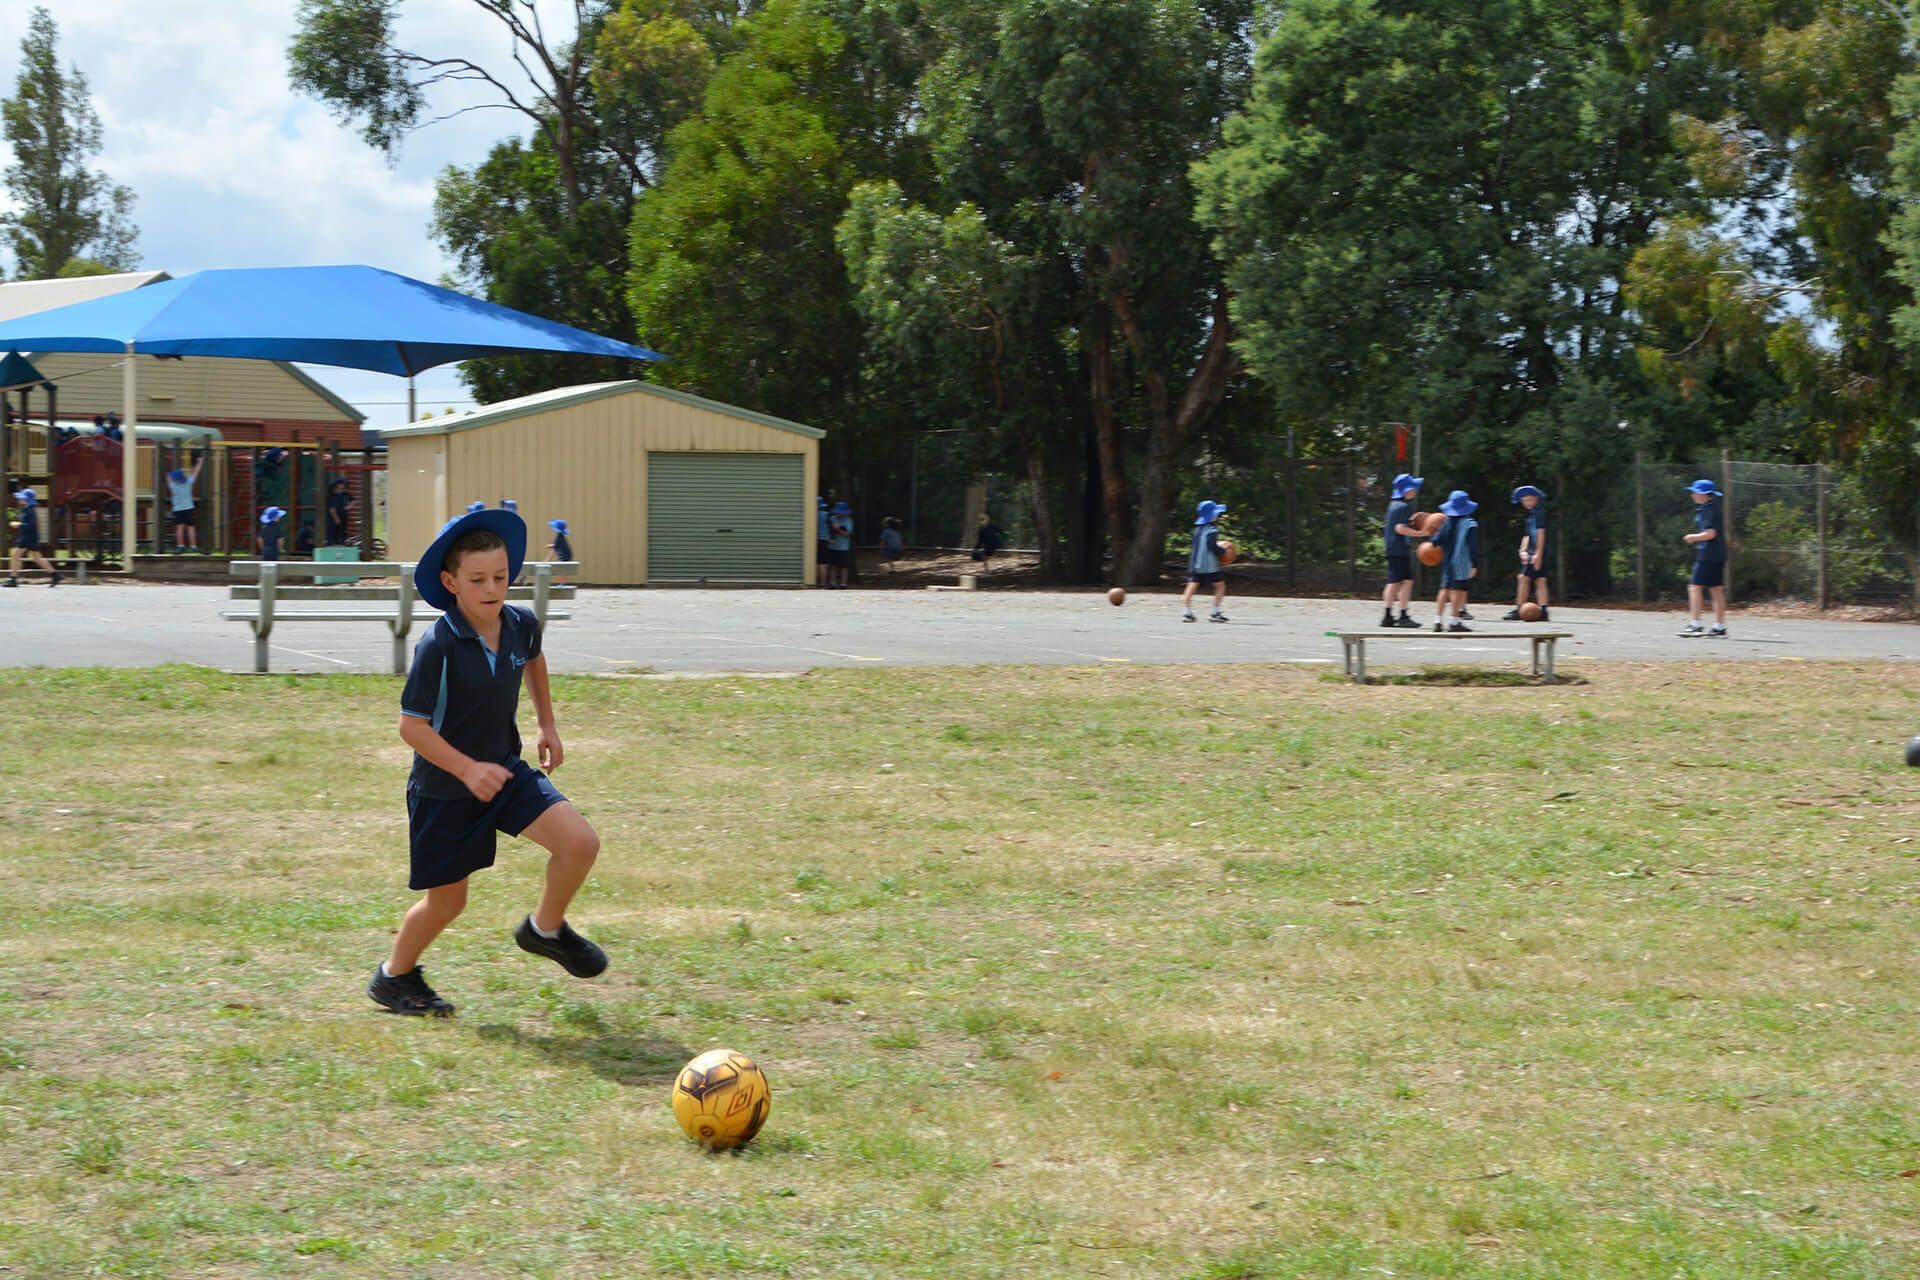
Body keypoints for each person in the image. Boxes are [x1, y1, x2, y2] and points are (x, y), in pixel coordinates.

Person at [368, 507, 605, 1017]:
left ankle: (544, 929)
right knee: (448, 903)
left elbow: (534, 659)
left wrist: (547, 723)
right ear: (451, 582)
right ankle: (394, 976)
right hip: (446, 791)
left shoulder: (519, 624)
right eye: (477, 579)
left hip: (504, 773)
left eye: (500, 577)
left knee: (580, 844)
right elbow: (411, 727)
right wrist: (466, 769)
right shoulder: (439, 645)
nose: (491, 588)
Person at [1681, 478, 1728, 637]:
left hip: (1707, 554)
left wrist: (1692, 537)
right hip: (1718, 554)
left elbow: (1711, 533)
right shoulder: (1713, 508)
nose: (1692, 495)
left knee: (1694, 587)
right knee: (1716, 589)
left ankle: (1695, 625)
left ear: (1702, 494)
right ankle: (1720, 627)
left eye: (1694, 492)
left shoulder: (1708, 510)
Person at [1379, 473, 1424, 628]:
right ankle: (1400, 615)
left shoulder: (1394, 504)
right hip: (1398, 549)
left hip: (1393, 548)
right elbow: (1399, 528)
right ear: (1407, 490)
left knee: (1401, 581)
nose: (1415, 491)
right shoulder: (1404, 506)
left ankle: (1389, 616)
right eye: (1413, 488)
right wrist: (1420, 533)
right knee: (1398, 582)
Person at [1430, 489, 1480, 632]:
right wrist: (1475, 564)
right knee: (1459, 590)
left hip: (1447, 562)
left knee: (1444, 589)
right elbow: (1473, 547)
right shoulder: (1471, 524)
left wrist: (1430, 536)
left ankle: (1437, 621)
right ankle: (1454, 621)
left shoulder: (1447, 522)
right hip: (1462, 563)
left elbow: (1436, 541)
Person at [1502, 485, 1550, 621]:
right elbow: (1527, 535)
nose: (1527, 503)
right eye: (1524, 501)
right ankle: (1544, 611)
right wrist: (1522, 550)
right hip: (1531, 551)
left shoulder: (1539, 513)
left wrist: (1538, 554)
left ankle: (1519, 608)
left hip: (1537, 551)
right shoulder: (1530, 514)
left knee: (1523, 578)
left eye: (1529, 500)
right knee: (1540, 580)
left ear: (1536, 499)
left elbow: (1541, 533)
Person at [1181, 499, 1230, 623]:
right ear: (1212, 515)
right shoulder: (1213, 530)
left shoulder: (1196, 530)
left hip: (1195, 563)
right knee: (1220, 586)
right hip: (1210, 565)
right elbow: (1212, 547)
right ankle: (1214, 612)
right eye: (1216, 513)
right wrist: (1224, 552)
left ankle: (1186, 612)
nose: (1217, 515)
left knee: (1191, 587)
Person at [4, 488, 61, 587]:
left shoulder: (29, 510)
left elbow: (32, 525)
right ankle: (55, 575)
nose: (20, 499)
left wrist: (19, 524)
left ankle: (13, 580)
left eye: (21, 497)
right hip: (31, 537)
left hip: (27, 538)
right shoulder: (28, 509)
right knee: (37, 558)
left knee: (15, 556)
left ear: (26, 499)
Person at [167, 449, 207, 554]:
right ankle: (193, 546)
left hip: (177, 509)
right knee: (190, 527)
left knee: (179, 527)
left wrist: (170, 475)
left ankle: (180, 546)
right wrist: (200, 462)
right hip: (188, 508)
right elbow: (195, 473)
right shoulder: (188, 483)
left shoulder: (173, 486)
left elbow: (169, 477)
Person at [827, 500, 854, 588]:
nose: (840, 514)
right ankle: (832, 583)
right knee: (833, 566)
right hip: (832, 546)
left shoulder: (848, 520)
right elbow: (828, 530)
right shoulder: (832, 518)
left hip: (843, 547)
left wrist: (837, 529)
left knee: (843, 566)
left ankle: (843, 583)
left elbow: (847, 533)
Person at [326, 478, 357, 546]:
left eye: (344, 484)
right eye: (342, 484)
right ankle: (331, 545)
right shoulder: (332, 495)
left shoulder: (344, 493)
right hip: (333, 518)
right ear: (337, 485)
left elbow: (353, 500)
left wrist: (349, 506)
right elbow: (331, 508)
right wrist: (336, 518)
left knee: (342, 533)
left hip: (343, 516)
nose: (344, 485)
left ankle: (341, 545)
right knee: (332, 532)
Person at [816, 495, 831, 587]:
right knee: (823, 562)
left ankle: (815, 581)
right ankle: (823, 583)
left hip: (813, 540)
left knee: (815, 562)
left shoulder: (810, 514)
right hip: (824, 539)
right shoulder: (826, 515)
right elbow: (832, 527)